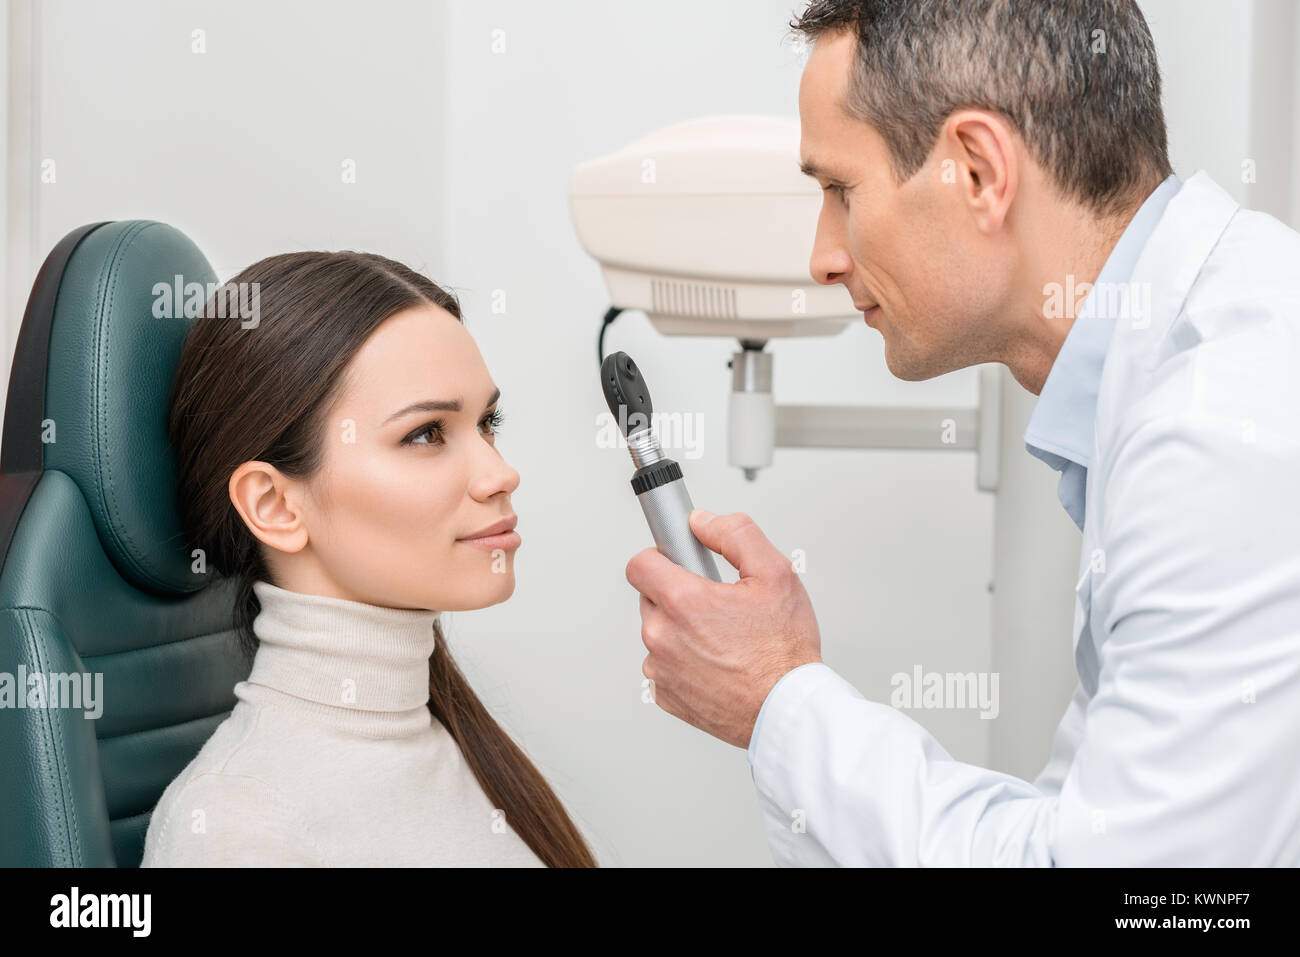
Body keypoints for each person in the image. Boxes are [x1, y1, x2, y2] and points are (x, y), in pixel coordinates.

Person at [625, 0, 1300, 865]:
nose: (822, 256)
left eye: (840, 190)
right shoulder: (1210, 360)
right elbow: (1095, 838)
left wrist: (778, 700)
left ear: (977, 172)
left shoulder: (1219, 433)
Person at [142, 251, 596, 867]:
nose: (500, 473)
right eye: (426, 433)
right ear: (275, 505)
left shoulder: (456, 745)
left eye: (488, 422)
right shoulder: (236, 828)